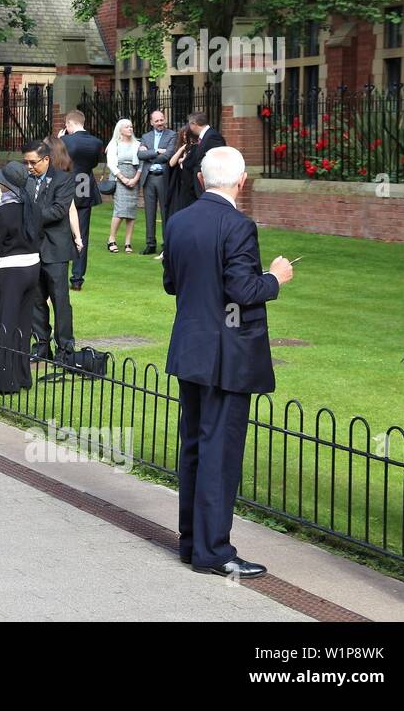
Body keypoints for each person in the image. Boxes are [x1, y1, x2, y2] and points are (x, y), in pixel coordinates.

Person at [163, 146, 294, 579]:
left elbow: (171, 282)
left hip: (191, 347)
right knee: (219, 452)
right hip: (224, 355)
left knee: (196, 448)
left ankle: (192, 542)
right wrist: (275, 278)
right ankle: (214, 550)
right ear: (241, 182)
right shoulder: (238, 225)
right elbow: (242, 288)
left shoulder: (179, 220)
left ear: (201, 179)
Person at [0, 161, 41, 394]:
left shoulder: (2, 212)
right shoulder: (33, 208)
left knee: (5, 325)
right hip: (32, 269)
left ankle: (6, 381)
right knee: (23, 323)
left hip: (11, 272)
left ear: (5, 184)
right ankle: (22, 376)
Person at [23, 139, 76, 360]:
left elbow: (58, 211)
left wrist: (25, 215)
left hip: (55, 250)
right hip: (32, 248)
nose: (29, 167)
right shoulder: (26, 180)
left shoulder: (63, 179)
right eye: (25, 162)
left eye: (33, 162)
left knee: (60, 301)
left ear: (46, 159)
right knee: (35, 301)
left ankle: (65, 349)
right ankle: (42, 346)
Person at [60, 111, 103, 291]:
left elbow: (58, 162)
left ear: (70, 124)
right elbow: (94, 164)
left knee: (61, 230)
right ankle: (77, 279)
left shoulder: (65, 141)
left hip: (67, 184)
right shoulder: (97, 142)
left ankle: (60, 273)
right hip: (84, 184)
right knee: (82, 233)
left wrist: (58, 140)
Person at [136, 109, 176, 255]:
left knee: (165, 211)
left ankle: (167, 244)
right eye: (157, 121)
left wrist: (150, 153)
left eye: (162, 120)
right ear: (151, 122)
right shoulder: (146, 136)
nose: (160, 123)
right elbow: (140, 154)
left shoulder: (172, 135)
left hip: (163, 177)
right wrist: (158, 151)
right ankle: (150, 243)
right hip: (148, 177)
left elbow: (169, 155)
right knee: (149, 212)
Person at [105, 118, 140, 253]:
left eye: (131, 127)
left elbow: (141, 162)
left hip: (134, 176)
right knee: (119, 211)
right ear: (120, 130)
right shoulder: (114, 144)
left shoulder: (138, 144)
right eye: (127, 127)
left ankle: (128, 242)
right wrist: (123, 179)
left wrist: (135, 178)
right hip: (119, 177)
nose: (130, 129)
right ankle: (111, 239)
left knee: (131, 212)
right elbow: (111, 164)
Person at [181, 111, 226, 201]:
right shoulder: (205, 136)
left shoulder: (212, 136)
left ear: (194, 124)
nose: (189, 127)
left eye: (189, 124)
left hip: (208, 184)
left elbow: (217, 161)